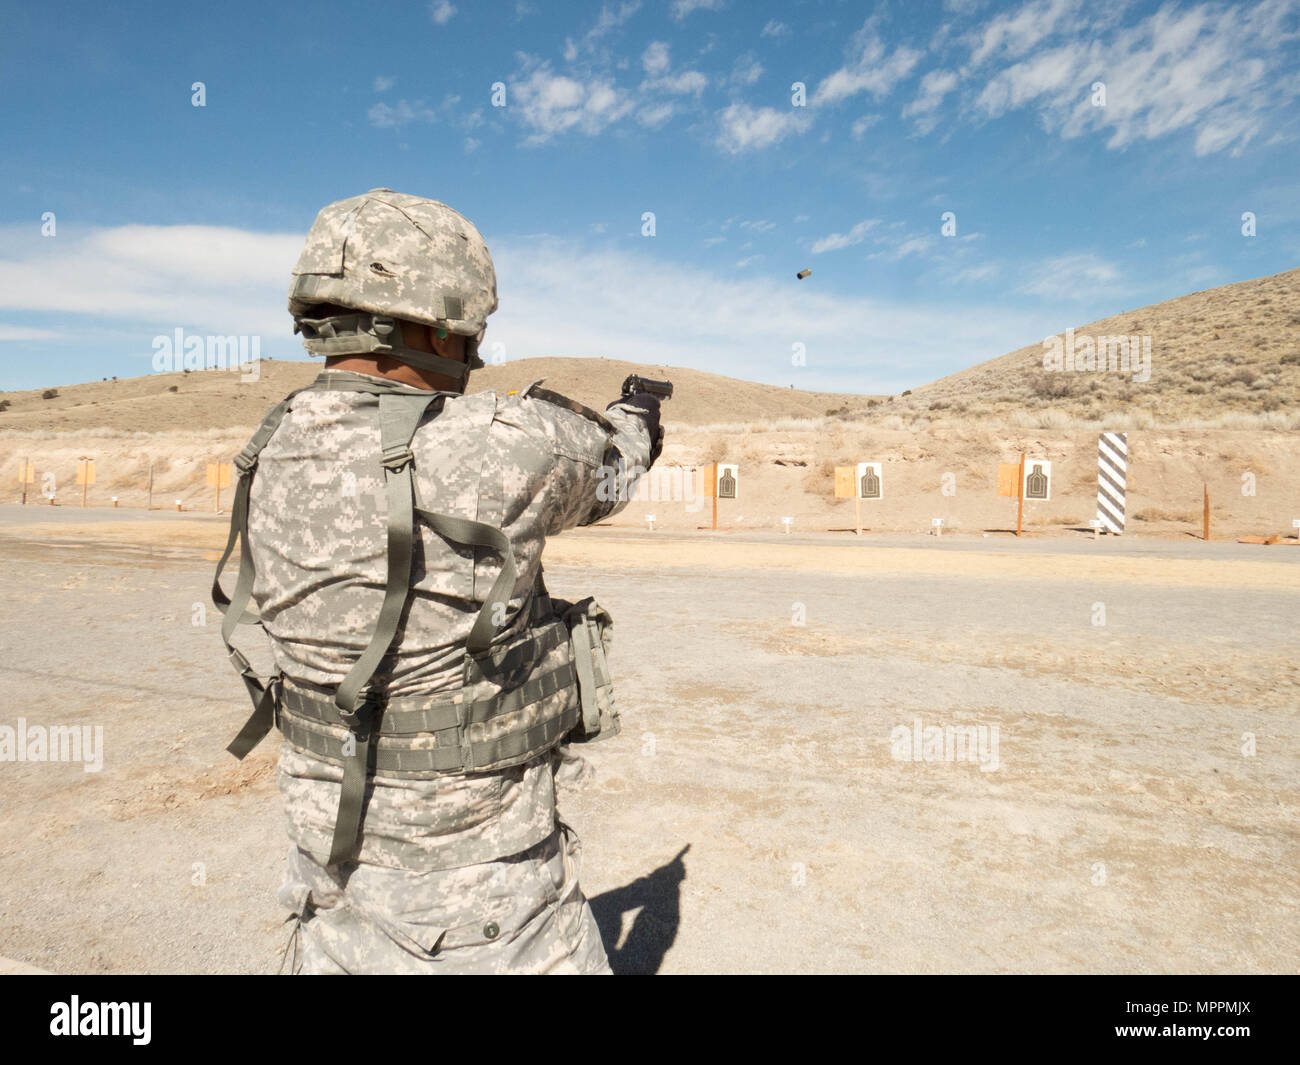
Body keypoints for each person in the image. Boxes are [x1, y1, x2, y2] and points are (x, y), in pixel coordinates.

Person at [212, 188, 663, 973]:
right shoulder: (504, 443)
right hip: (491, 914)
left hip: (330, 877)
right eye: (467, 329)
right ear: (431, 319)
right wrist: (638, 417)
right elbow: (614, 477)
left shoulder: (272, 443)